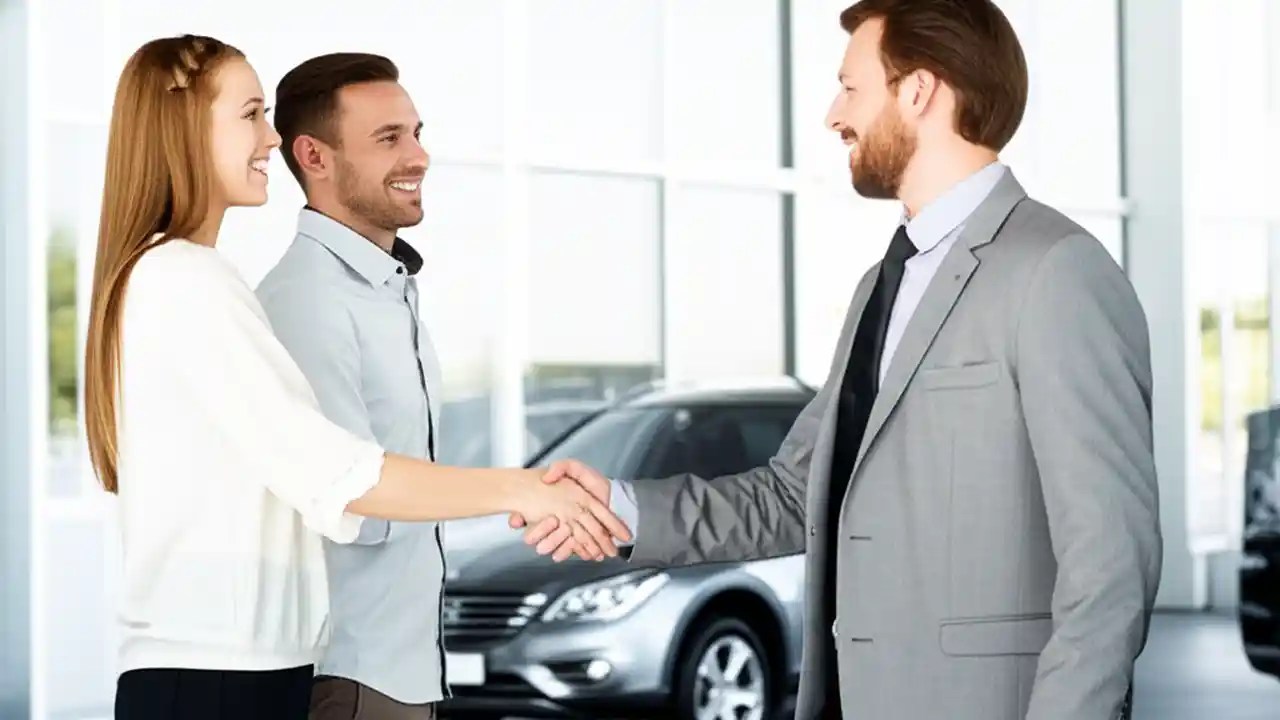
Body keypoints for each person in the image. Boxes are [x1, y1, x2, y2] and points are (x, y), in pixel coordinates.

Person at [518, 1, 1162, 718]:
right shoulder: (882, 285)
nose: (833, 115)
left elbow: (1111, 563)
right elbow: (796, 497)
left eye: (851, 87)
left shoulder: (1057, 271)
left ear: (918, 91)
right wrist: (624, 508)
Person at [85, 35, 628, 720]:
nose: (273, 138)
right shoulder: (188, 281)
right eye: (251, 113)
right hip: (219, 676)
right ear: (187, 128)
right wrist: (523, 489)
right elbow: (335, 474)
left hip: (231, 670)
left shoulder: (176, 278)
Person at [254, 52, 585, 720]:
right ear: (313, 157)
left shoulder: (383, 289)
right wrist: (518, 491)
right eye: (388, 139)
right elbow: (356, 499)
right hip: (350, 676)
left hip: (400, 674)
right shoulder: (308, 301)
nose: (418, 157)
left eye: (416, 133)